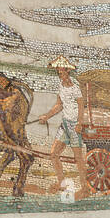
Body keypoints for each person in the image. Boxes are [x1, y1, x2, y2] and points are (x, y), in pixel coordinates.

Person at [34, 55, 90, 198]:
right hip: (65, 124)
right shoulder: (61, 86)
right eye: (58, 73)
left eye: (62, 72)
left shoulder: (75, 88)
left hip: (74, 125)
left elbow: (81, 106)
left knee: (78, 158)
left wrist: (79, 123)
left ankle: (85, 189)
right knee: (54, 154)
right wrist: (46, 116)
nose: (60, 75)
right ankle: (61, 183)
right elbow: (59, 105)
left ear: (67, 72)